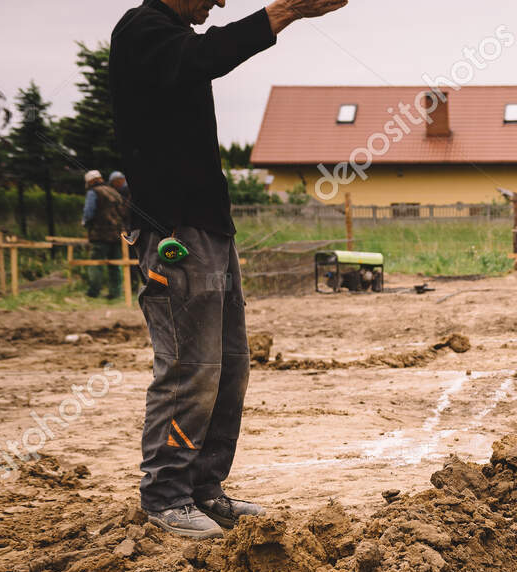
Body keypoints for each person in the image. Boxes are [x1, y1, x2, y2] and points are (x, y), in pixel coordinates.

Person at [110, 0, 348, 540]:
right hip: (174, 230)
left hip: (210, 228)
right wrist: (283, 12)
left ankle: (204, 489)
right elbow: (206, 56)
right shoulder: (145, 30)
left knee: (230, 367)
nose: (219, 2)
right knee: (190, 367)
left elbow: (201, 54)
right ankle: (166, 496)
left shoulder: (171, 36)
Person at [81, 169, 125, 300]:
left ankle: (93, 292)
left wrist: (85, 224)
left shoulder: (93, 192)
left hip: (100, 234)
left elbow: (89, 213)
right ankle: (116, 293)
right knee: (115, 265)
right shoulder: (114, 192)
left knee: (96, 263)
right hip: (117, 234)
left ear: (90, 181)